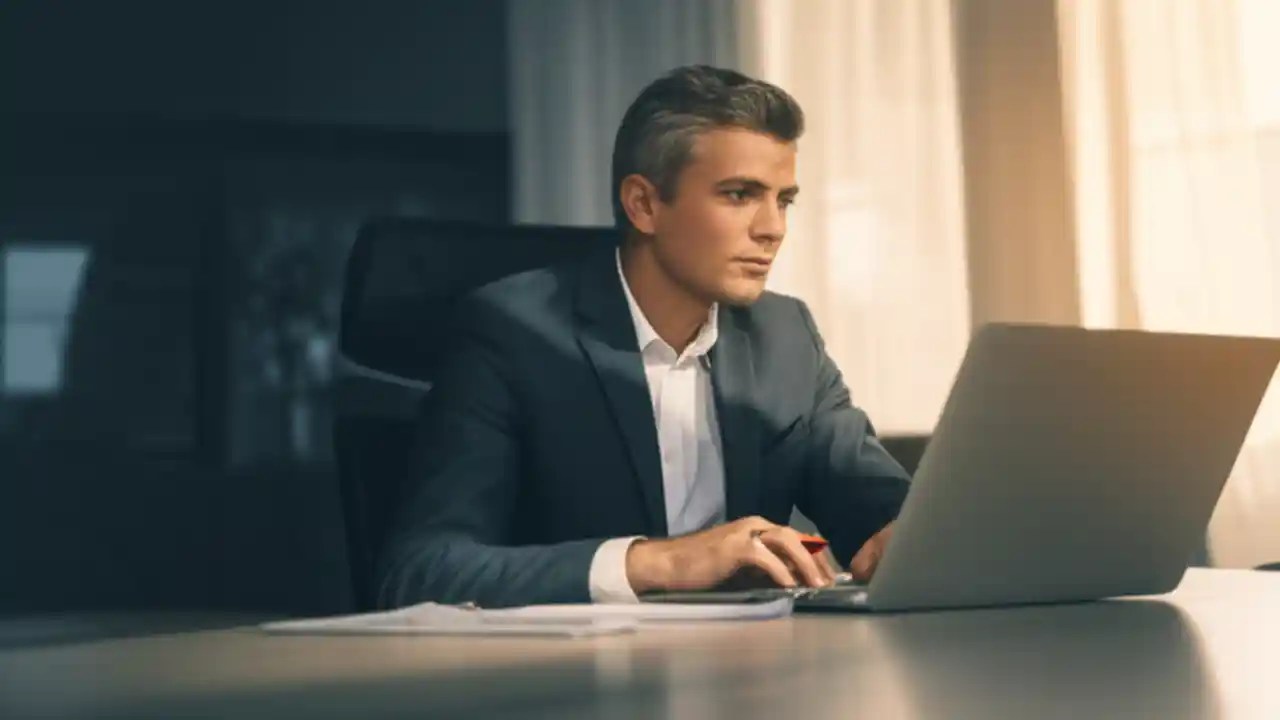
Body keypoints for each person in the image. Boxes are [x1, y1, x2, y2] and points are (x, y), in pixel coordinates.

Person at [376, 65, 909, 609]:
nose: (773, 228)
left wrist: (904, 538)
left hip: (750, 668)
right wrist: (664, 562)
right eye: (740, 194)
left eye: (783, 200)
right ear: (644, 205)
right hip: (569, 679)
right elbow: (422, 571)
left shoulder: (786, 336)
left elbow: (884, 511)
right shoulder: (514, 333)